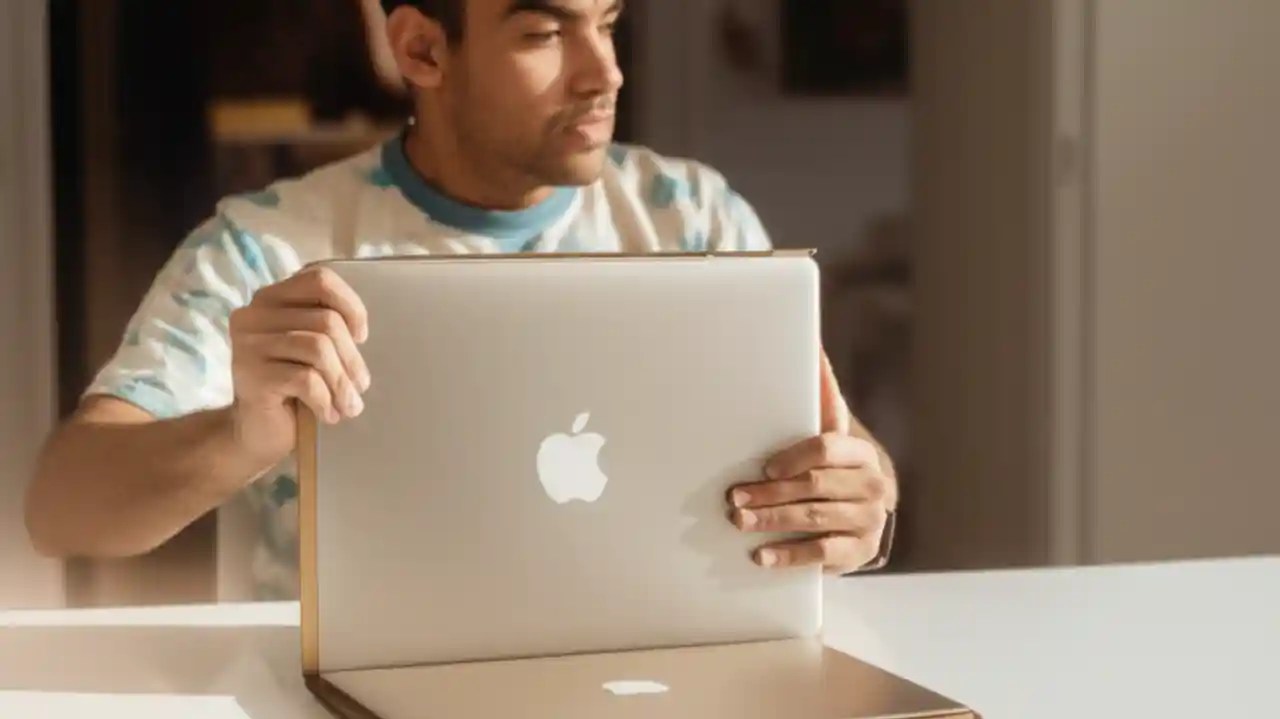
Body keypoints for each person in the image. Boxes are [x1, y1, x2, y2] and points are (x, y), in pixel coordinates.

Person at [25, 0, 898, 599]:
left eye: (607, 22)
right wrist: (241, 436)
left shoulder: (695, 217)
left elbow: (841, 449)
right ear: (422, 51)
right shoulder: (268, 251)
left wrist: (863, 503)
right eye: (544, 34)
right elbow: (62, 510)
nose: (605, 74)